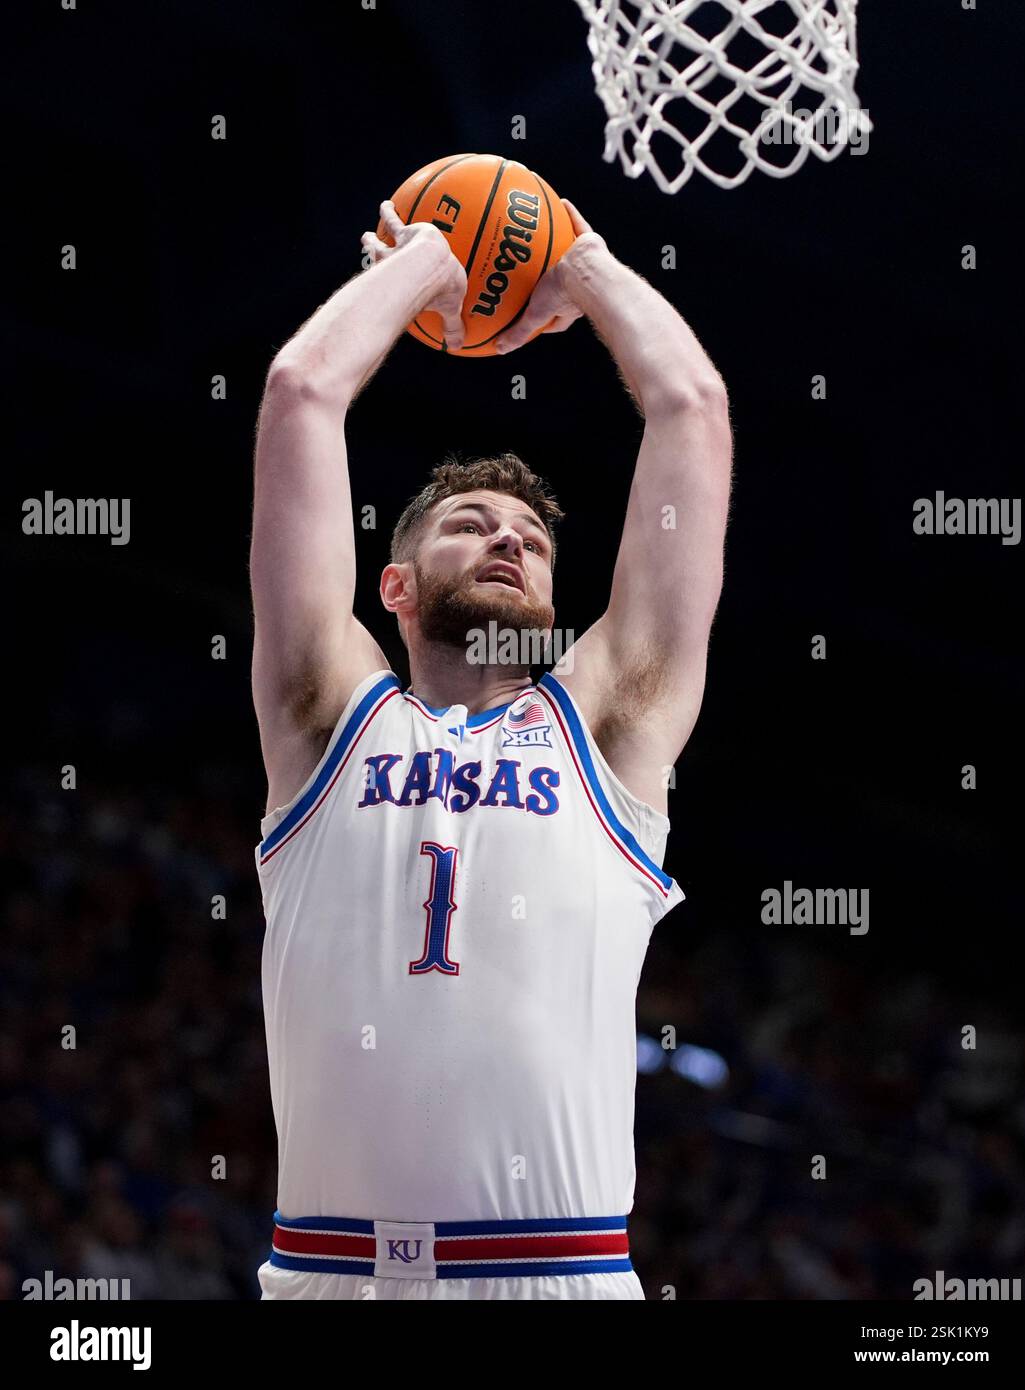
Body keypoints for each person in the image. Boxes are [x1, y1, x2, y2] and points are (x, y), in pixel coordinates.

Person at [249, 196, 732, 1300]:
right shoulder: (326, 714)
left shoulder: (609, 728)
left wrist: (583, 266)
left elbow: (690, 406)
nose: (509, 538)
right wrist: (422, 262)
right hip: (332, 1280)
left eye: (530, 539)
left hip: (553, 1280)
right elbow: (300, 395)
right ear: (397, 588)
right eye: (471, 522)